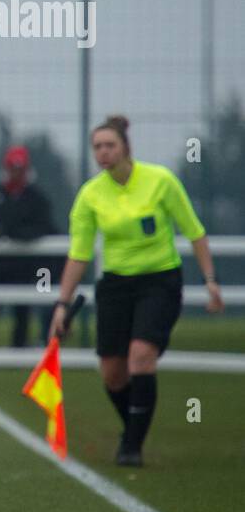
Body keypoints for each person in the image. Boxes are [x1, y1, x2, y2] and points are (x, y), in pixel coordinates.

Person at [50, 115, 224, 466]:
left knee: (141, 355)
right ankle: (132, 425)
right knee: (112, 373)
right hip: (115, 285)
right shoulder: (90, 195)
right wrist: (61, 303)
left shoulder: (160, 181)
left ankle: (132, 445)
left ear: (126, 147)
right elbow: (79, 254)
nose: (103, 152)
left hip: (159, 281)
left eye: (109, 145)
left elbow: (195, 231)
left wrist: (210, 280)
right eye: (97, 146)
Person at [0, 145, 57, 348]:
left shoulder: (36, 198)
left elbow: (44, 228)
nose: (16, 173)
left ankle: (18, 350)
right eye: (12, 168)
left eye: (20, 168)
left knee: (22, 310)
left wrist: (8, 232)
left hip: (24, 266)